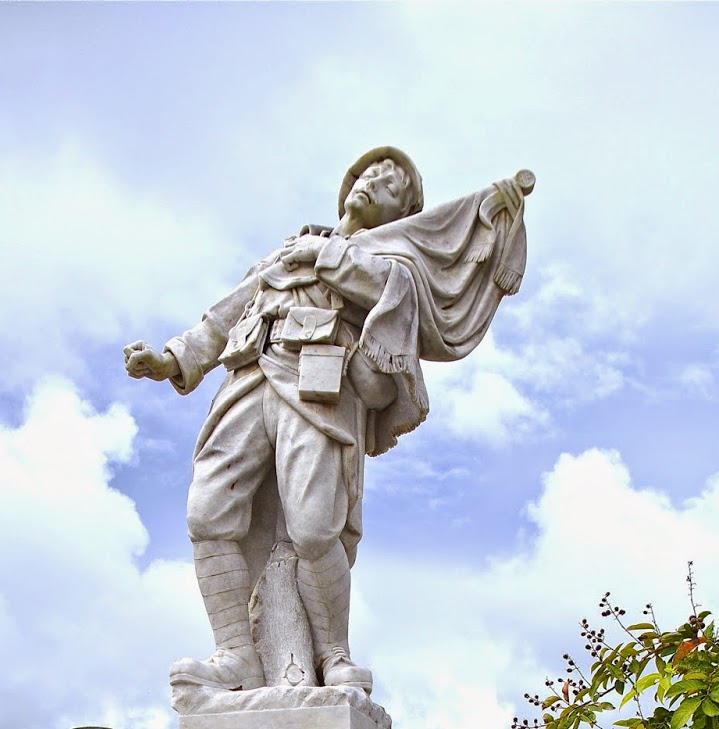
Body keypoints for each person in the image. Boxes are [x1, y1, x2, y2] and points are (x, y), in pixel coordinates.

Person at [125, 147, 531, 694]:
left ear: (402, 213)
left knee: (315, 527)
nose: (372, 183)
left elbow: (392, 293)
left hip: (317, 385)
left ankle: (335, 656)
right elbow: (229, 310)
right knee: (207, 512)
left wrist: (324, 256)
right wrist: (175, 357)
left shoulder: (392, 258)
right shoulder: (289, 249)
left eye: (389, 185)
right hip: (247, 377)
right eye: (367, 174)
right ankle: (235, 654)